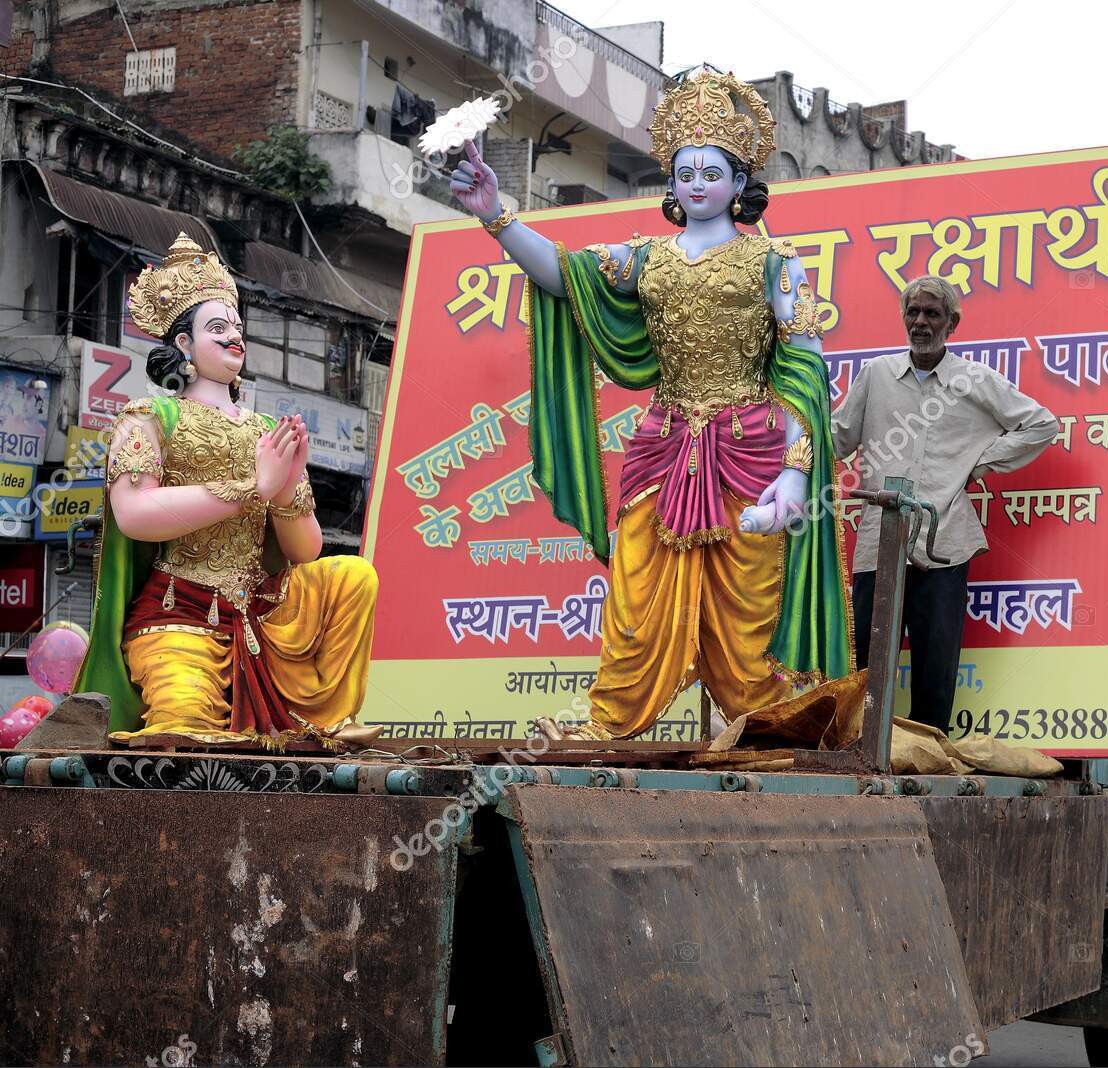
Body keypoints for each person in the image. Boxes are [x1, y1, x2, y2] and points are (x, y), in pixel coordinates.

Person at [448, 70, 850, 741]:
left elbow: (805, 367)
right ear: (671, 181)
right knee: (634, 592)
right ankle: (609, 720)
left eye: (712, 172)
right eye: (685, 172)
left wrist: (795, 470)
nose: (697, 184)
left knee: (750, 611)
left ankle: (769, 729)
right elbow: (564, 273)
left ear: (739, 180)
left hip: (748, 450)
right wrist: (497, 216)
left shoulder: (776, 263)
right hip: (662, 448)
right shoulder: (645, 259)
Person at [74, 232, 380, 747]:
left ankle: (328, 717)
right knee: (183, 726)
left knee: (353, 575)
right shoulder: (148, 416)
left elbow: (305, 550)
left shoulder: (266, 431)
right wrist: (252, 487)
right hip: (179, 612)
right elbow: (134, 513)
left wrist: (283, 492)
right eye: (218, 328)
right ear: (183, 344)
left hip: (264, 612)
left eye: (237, 327)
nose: (234, 337)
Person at [831, 274, 1056, 732]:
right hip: (878, 543)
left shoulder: (974, 380)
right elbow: (837, 439)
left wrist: (980, 463)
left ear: (952, 323)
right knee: (865, 664)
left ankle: (929, 754)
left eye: (932, 313)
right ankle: (858, 750)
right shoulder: (876, 374)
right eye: (913, 312)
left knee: (935, 668)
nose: (920, 322)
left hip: (944, 544)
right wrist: (788, 426)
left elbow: (1042, 425)